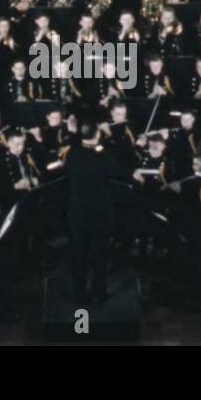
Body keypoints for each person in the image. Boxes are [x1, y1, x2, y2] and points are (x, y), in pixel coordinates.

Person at [64, 120, 129, 304]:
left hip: (77, 212)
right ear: (98, 135)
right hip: (99, 213)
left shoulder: (72, 155)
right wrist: (108, 141)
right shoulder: (103, 157)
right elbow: (120, 170)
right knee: (99, 253)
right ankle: (98, 292)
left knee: (79, 254)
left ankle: (79, 293)